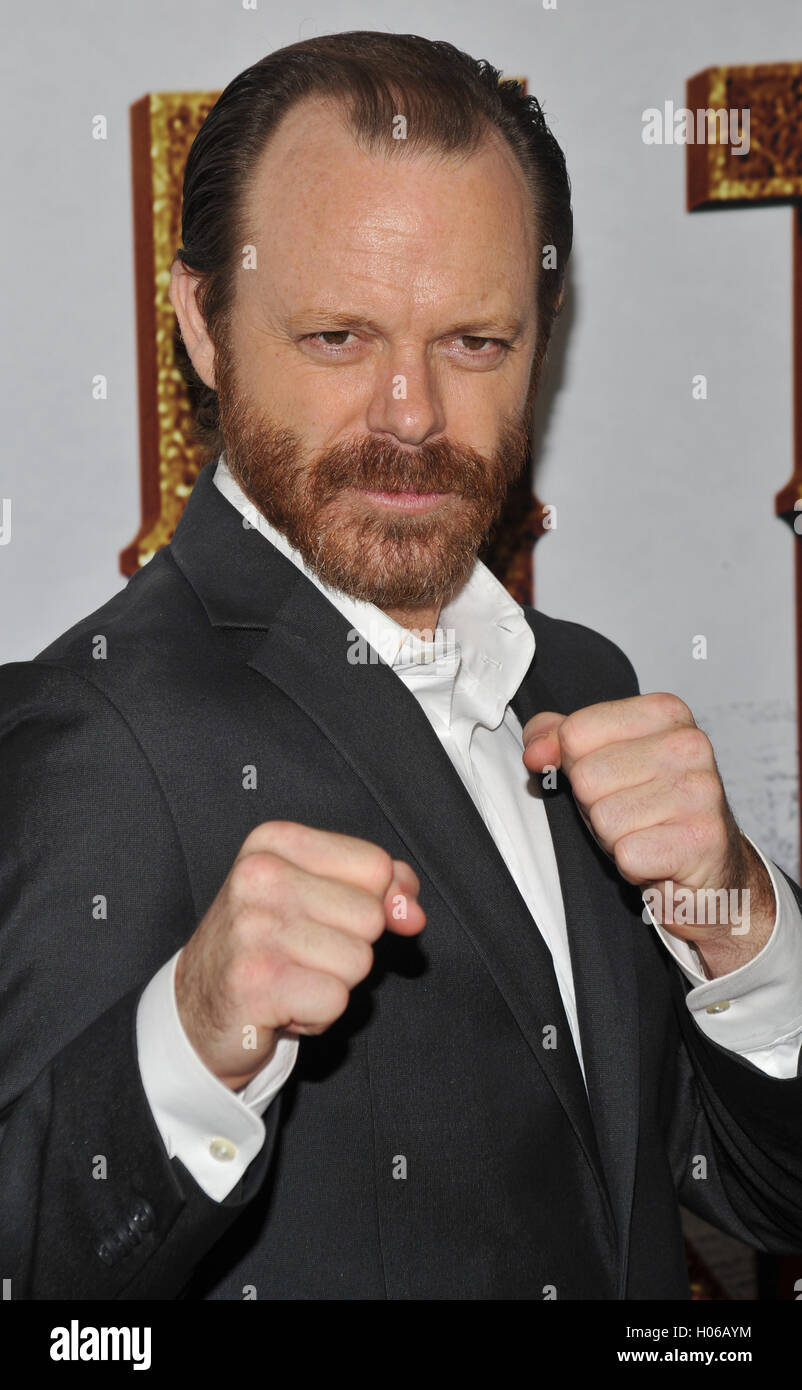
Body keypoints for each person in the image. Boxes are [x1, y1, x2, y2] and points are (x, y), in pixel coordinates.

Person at [2, 30, 802, 1301]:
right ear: (203, 325)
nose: (412, 412)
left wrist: (740, 920)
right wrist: (192, 1044)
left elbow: (749, 1195)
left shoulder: (583, 685)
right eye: (336, 337)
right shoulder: (94, 728)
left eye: (475, 342)